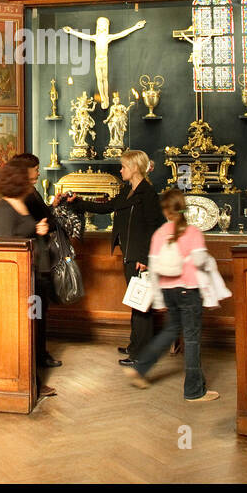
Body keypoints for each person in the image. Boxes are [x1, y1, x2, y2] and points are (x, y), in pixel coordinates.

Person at [65, 148, 163, 364]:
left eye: (124, 167)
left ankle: (142, 353)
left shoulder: (147, 193)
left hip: (140, 258)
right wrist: (78, 202)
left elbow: (154, 227)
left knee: (141, 303)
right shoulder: (128, 190)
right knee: (136, 301)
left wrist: (145, 259)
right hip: (130, 254)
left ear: (135, 168)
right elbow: (107, 207)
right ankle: (135, 345)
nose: (120, 170)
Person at [124, 188, 219, 402]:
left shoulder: (158, 234)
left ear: (165, 210)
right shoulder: (192, 232)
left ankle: (140, 369)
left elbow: (154, 268)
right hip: (189, 291)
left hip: (168, 292)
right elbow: (201, 262)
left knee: (171, 330)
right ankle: (194, 391)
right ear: (183, 207)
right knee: (192, 339)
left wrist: (158, 300)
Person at [0, 160, 58, 397]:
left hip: (33, 272)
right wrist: (35, 230)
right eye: (26, 178)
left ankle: (34, 381)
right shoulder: (5, 209)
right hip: (19, 277)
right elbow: (8, 244)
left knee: (34, 325)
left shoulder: (19, 204)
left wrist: (37, 228)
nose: (32, 181)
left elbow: (24, 231)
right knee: (25, 330)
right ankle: (30, 385)